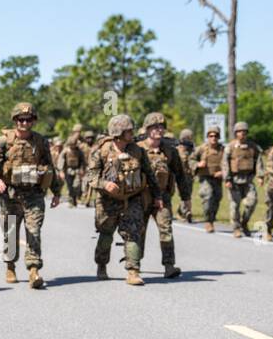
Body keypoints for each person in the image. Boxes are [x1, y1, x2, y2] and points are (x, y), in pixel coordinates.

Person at [0, 102, 62, 288]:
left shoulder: (41, 142)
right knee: (10, 233)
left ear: (33, 121)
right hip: (10, 195)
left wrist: (56, 191)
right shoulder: (3, 142)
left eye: (28, 120)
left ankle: (34, 270)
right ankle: (10, 265)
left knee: (33, 231)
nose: (24, 123)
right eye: (21, 120)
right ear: (15, 120)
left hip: (34, 194)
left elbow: (50, 167)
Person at [90, 114, 161, 285]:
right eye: (128, 130)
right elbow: (90, 177)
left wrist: (157, 196)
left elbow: (150, 176)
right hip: (108, 201)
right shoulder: (102, 151)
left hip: (132, 199)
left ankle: (133, 271)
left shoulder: (138, 151)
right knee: (106, 235)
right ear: (118, 132)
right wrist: (104, 184)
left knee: (133, 234)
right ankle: (101, 265)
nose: (132, 133)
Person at [137, 113, 182, 278]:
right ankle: (135, 265)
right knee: (139, 231)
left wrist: (186, 198)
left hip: (163, 197)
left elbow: (180, 174)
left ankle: (169, 266)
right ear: (147, 129)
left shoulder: (170, 151)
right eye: (155, 127)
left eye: (161, 126)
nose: (159, 129)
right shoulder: (137, 149)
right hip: (141, 197)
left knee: (166, 229)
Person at [221, 121, 261, 238]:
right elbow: (225, 163)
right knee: (235, 205)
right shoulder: (230, 147)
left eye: (244, 131)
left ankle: (244, 222)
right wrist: (227, 179)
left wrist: (260, 176)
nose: (242, 134)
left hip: (248, 180)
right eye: (239, 132)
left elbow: (258, 161)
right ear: (235, 133)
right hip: (234, 180)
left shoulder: (252, 147)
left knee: (252, 202)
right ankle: (236, 228)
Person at [189, 125, 224, 232]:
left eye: (216, 136)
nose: (213, 138)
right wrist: (198, 164)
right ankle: (208, 221)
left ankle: (212, 219)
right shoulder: (201, 149)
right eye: (211, 135)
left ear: (218, 137)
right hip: (205, 178)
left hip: (218, 178)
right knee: (207, 197)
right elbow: (190, 160)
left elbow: (229, 163)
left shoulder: (223, 149)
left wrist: (223, 172)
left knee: (217, 199)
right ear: (208, 137)